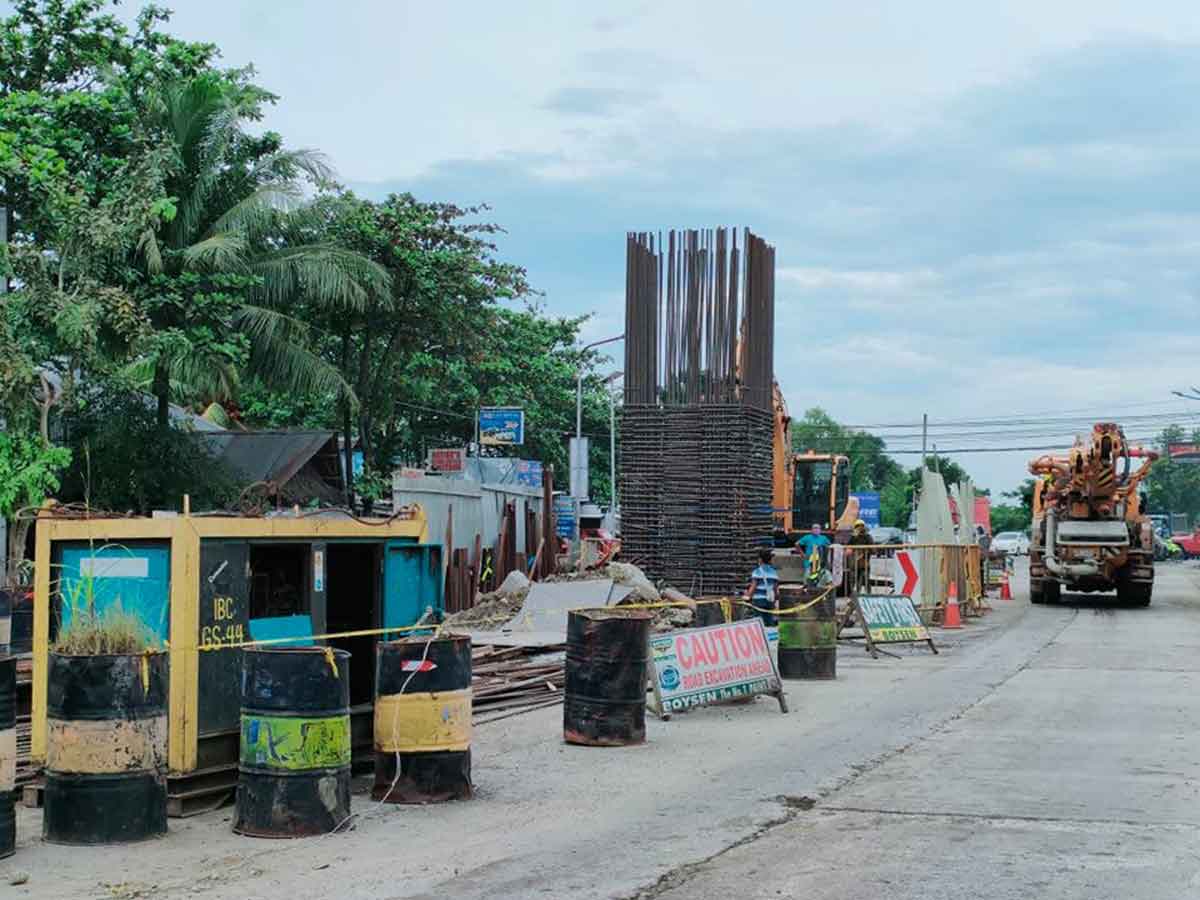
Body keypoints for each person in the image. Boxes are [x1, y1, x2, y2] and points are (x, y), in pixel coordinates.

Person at [744, 547, 779, 626]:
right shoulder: (774, 572)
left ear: (760, 560)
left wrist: (747, 596)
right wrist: (776, 599)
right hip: (770, 600)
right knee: (769, 620)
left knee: (759, 621)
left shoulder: (757, 572)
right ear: (770, 560)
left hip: (759, 600)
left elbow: (753, 586)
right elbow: (775, 588)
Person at [847, 519, 872, 593]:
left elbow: (872, 549)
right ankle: (857, 594)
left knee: (866, 579)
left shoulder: (868, 537)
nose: (859, 528)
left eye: (861, 526)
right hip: (855, 562)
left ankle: (869, 594)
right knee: (855, 579)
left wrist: (863, 554)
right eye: (858, 526)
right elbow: (849, 547)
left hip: (865, 561)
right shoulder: (853, 537)